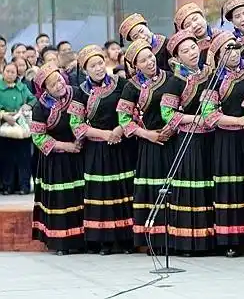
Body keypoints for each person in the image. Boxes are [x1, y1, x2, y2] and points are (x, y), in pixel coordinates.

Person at [201, 30, 244, 257]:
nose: (233, 53)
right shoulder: (213, 79)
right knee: (231, 188)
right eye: (227, 50)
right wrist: (239, 120)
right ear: (217, 55)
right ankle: (231, 240)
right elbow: (208, 114)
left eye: (235, 47)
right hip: (228, 138)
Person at [69, 45, 133, 255]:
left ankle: (126, 239)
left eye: (100, 63)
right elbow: (77, 125)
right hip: (97, 148)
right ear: (85, 69)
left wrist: (119, 129)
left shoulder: (120, 84)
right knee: (101, 194)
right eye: (92, 65)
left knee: (122, 191)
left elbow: (132, 110)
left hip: (120, 145)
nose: (98, 68)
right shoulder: (81, 92)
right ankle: (104, 241)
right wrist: (105, 135)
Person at [160, 29, 216, 254]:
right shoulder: (175, 81)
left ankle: (210, 240)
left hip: (211, 139)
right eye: (185, 51)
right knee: (191, 189)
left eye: (193, 47)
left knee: (209, 188)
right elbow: (168, 114)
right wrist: (198, 119)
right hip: (189, 140)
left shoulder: (211, 73)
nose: (192, 53)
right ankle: (188, 242)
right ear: (176, 57)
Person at [116, 38, 173, 252]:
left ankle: (174, 235)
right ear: (135, 66)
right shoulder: (131, 87)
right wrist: (147, 135)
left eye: (150, 56)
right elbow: (124, 119)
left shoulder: (171, 78)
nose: (150, 62)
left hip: (171, 140)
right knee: (152, 190)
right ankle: (154, 239)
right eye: (143, 60)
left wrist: (171, 129)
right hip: (149, 144)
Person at [30, 63, 85, 255]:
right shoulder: (40, 107)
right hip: (57, 160)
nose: (59, 86)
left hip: (79, 155)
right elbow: (38, 137)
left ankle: (82, 240)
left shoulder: (77, 93)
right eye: (53, 85)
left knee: (80, 197)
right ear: (46, 89)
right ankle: (61, 243)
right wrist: (66, 147)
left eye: (59, 80)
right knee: (61, 200)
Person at [0, 61, 36, 195]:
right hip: (4, 127)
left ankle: (24, 186)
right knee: (6, 159)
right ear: (3, 72)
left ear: (17, 74)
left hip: (21, 126)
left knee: (24, 158)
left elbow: (33, 99)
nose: (10, 74)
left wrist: (28, 106)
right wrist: (3, 115)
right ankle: (7, 186)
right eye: (7, 71)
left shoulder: (22, 87)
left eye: (13, 72)